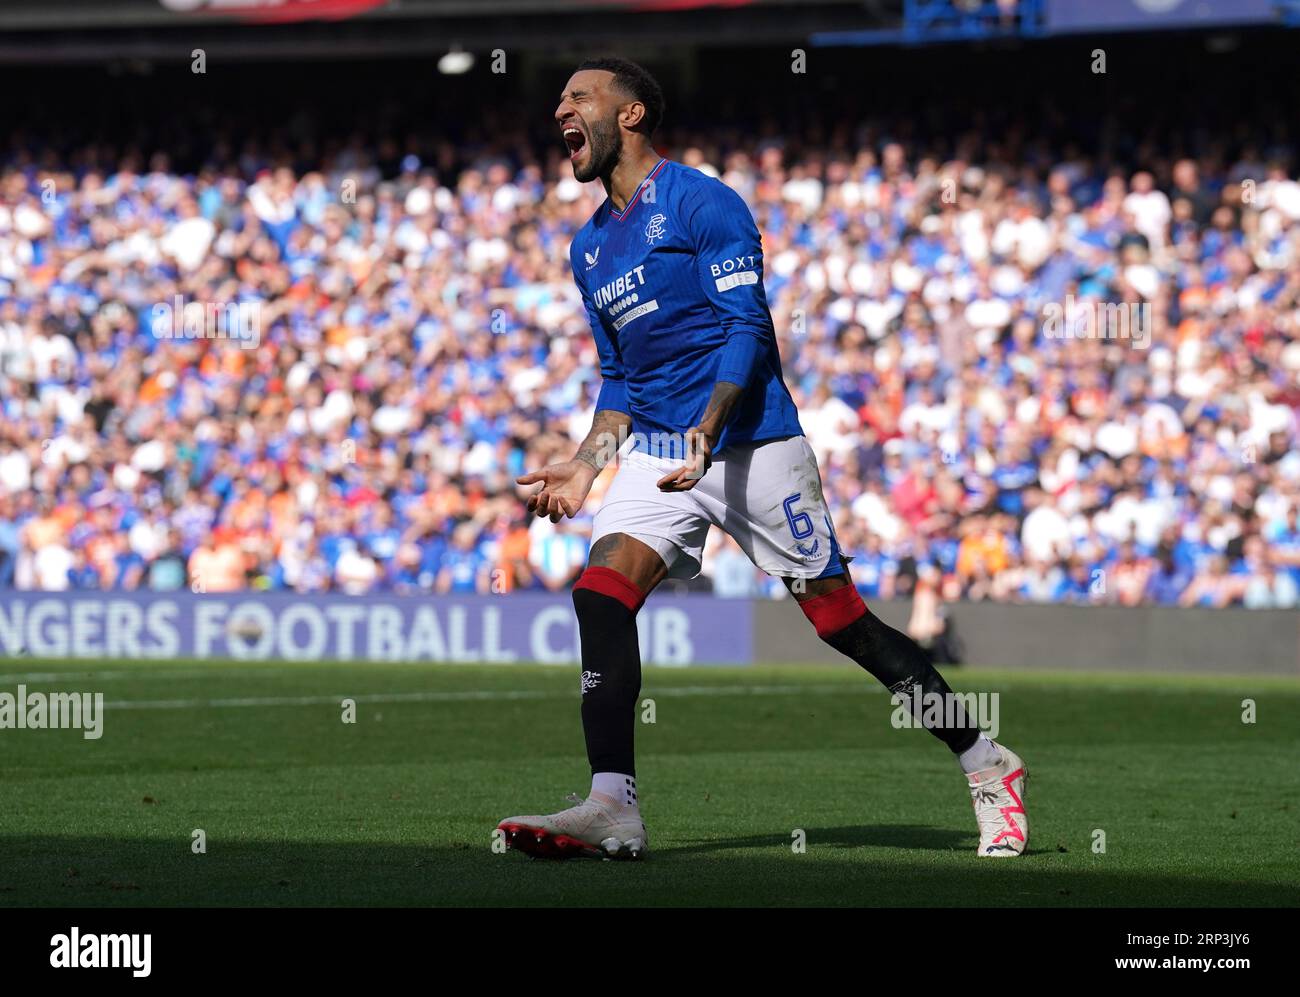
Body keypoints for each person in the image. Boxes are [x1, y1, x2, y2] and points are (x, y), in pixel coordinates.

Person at [498, 57, 1029, 860]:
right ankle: (613, 802)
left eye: (579, 97)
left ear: (632, 114)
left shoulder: (703, 202)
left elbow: (747, 327)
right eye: (560, 99)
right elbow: (620, 379)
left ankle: (988, 764)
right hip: (657, 449)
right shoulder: (588, 249)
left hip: (750, 441)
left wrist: (711, 425)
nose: (560, 109)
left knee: (840, 622)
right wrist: (587, 463)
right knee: (601, 595)